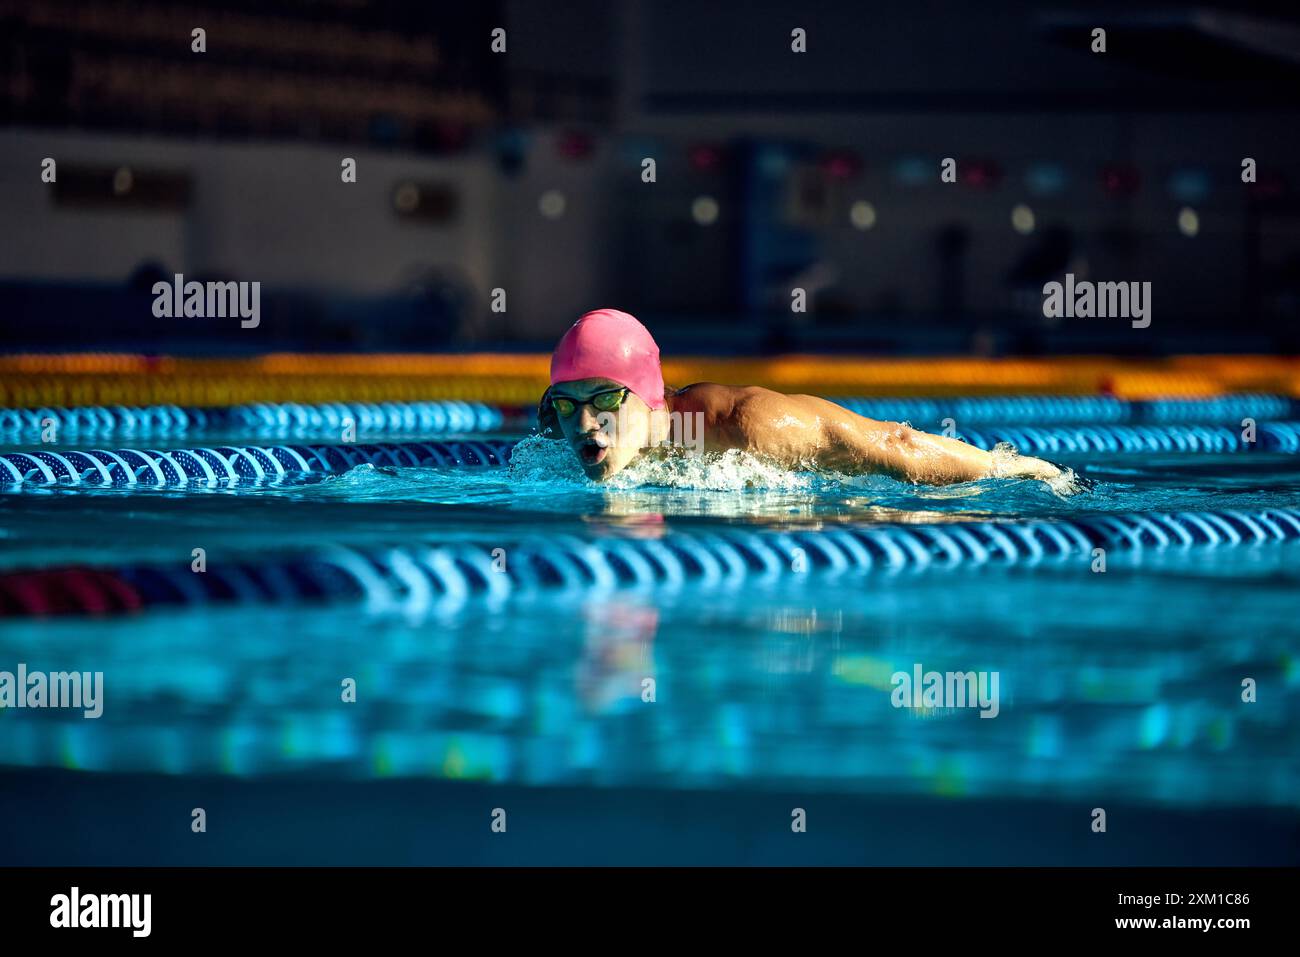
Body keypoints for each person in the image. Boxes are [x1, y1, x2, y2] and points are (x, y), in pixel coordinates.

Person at [537, 309, 1064, 485]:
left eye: (604, 399)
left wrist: (1004, 470)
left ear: (649, 397)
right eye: (567, 403)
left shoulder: (747, 427)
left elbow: (892, 445)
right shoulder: (558, 430)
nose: (584, 424)